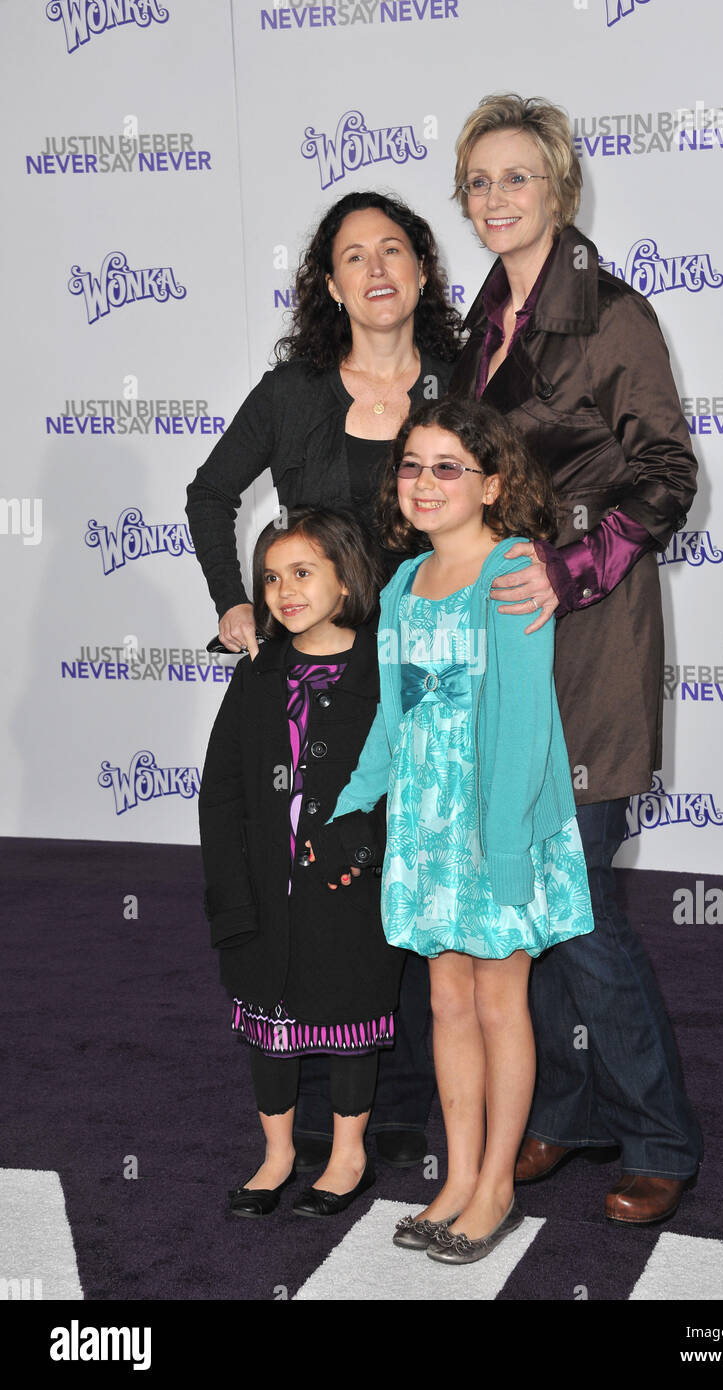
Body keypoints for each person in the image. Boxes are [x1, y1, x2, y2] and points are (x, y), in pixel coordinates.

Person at [446, 93, 703, 1224]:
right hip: (496, 645)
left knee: (583, 902)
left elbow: (666, 476)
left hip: (587, 634)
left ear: (559, 187)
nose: (496, 199)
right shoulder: (474, 326)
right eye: (479, 181)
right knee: (523, 897)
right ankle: (565, 1112)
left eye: (516, 177)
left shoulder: (612, 314)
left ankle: (657, 1134)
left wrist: (570, 566)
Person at [187, 191, 462, 1170]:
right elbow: (212, 491)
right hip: (312, 679)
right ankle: (307, 1122)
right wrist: (234, 603)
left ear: (422, 272)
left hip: (425, 681)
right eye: (353, 254)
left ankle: (438, 1111)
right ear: (329, 283)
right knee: (301, 879)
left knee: (413, 893)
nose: (376, 267)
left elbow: (504, 499)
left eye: (394, 248)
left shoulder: (463, 383)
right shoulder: (296, 389)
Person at [309, 398, 594, 1264]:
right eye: (411, 465)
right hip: (426, 828)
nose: (424, 483)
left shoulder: (510, 568)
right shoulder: (400, 584)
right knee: (444, 1001)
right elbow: (396, 722)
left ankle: (498, 1183)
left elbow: (525, 729)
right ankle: (459, 1174)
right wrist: (354, 802)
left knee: (499, 1004)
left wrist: (504, 844)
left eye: (447, 468)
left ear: (492, 484)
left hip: (495, 824)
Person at [198, 507, 406, 1218]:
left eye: (302, 573)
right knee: (269, 1020)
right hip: (264, 887)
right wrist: (228, 889)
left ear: (346, 580)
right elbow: (220, 788)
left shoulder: (384, 671)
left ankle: (348, 1157)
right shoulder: (258, 674)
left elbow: (404, 777)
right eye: (271, 578)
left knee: (350, 1018)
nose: (284, 590)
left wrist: (365, 848)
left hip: (350, 891)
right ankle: (277, 1153)